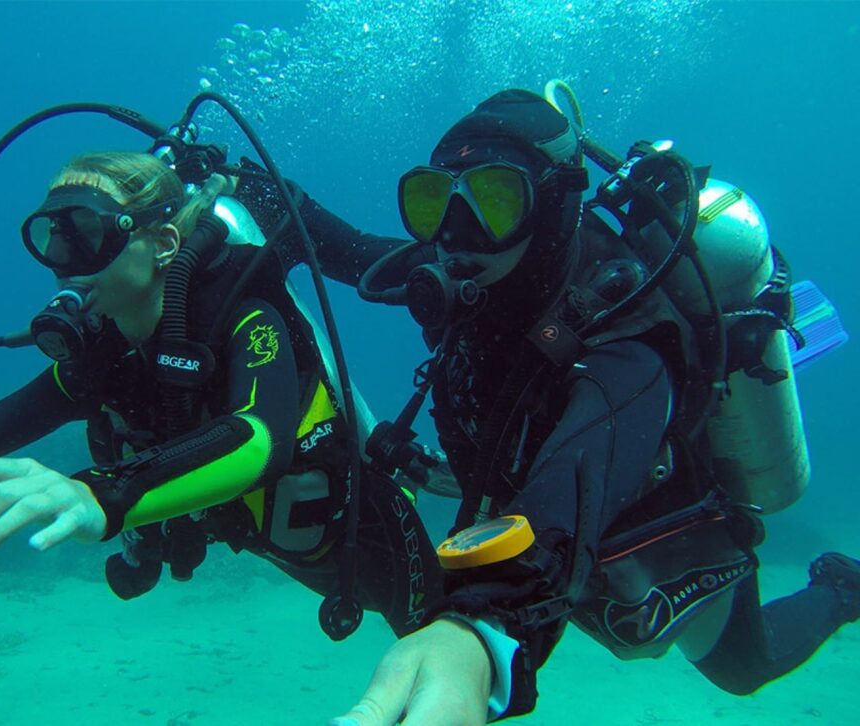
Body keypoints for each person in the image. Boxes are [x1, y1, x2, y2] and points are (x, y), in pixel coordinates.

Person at [232, 89, 860, 724]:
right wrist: (253, 188)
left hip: (628, 520)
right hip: (543, 527)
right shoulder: (485, 273)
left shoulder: (630, 333)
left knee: (741, 667)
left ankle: (842, 588)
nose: (456, 234)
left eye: (496, 199)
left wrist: (481, 629)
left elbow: (577, 471)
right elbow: (351, 251)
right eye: (434, 201)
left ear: (556, 204)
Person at [0, 150, 443, 639]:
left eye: (88, 237)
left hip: (358, 534)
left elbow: (260, 439)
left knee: (445, 653)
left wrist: (103, 493)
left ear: (162, 245)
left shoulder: (242, 314)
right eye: (54, 238)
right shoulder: (102, 359)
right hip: (264, 537)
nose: (64, 265)